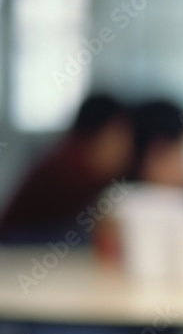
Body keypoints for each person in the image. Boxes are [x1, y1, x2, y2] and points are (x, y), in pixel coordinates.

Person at [0, 93, 132, 243]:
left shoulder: (70, 159)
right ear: (97, 135)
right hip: (15, 246)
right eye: (119, 136)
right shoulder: (71, 167)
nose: (125, 149)